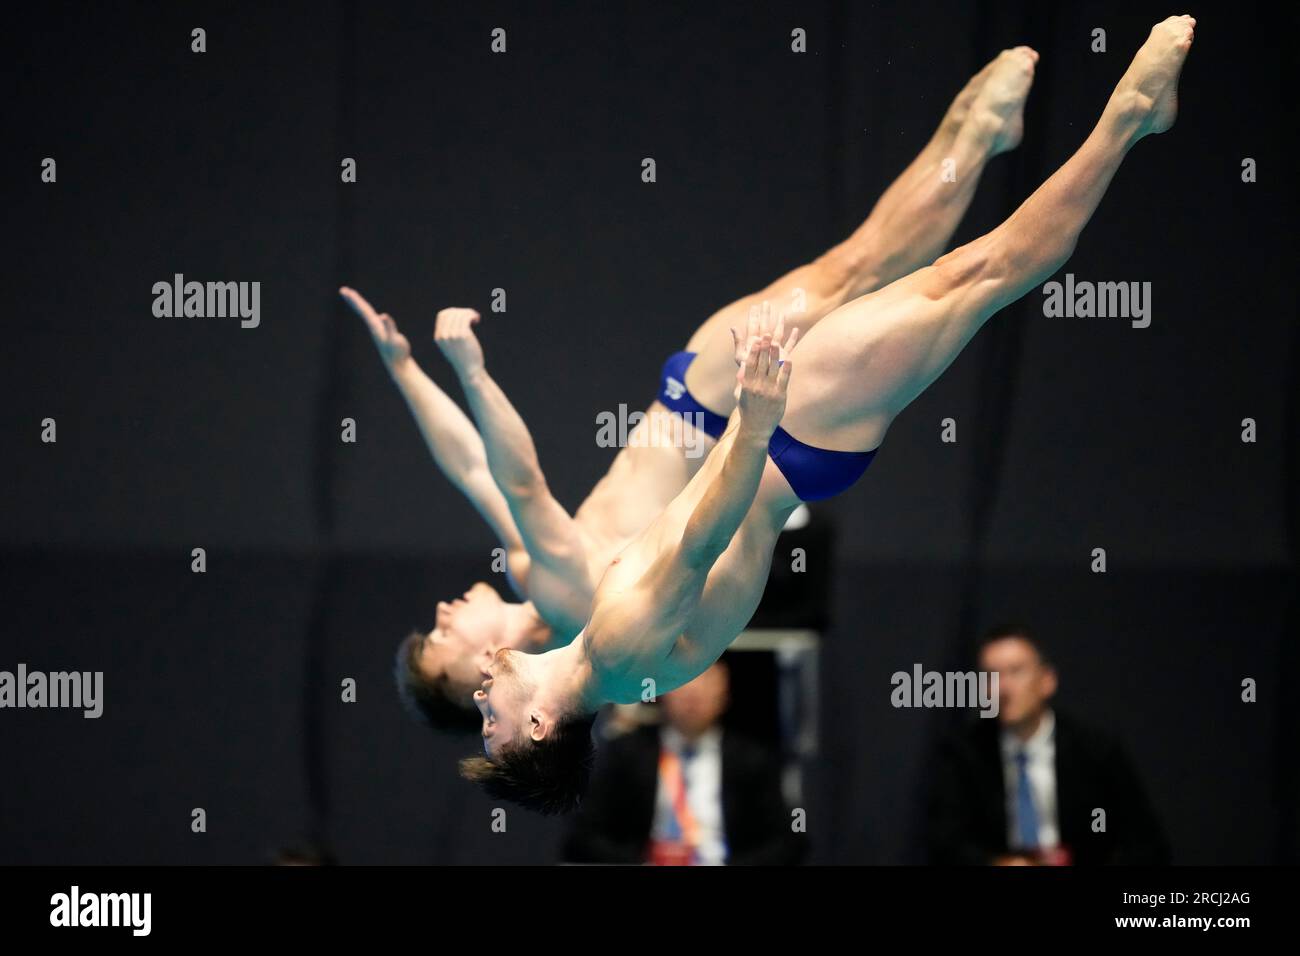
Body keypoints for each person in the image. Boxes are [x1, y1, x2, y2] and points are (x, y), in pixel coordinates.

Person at [460, 17, 1198, 814]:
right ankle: (1129, 117)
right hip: (787, 437)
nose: (481, 708)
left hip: (777, 441)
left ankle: (994, 130)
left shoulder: (614, 657)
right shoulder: (614, 648)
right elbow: (700, 537)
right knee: (979, 277)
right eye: (491, 729)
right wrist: (754, 415)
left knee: (931, 273)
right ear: (539, 726)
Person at [343, 49, 1039, 726]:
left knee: (852, 268)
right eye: (440, 641)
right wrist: (468, 369)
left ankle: (975, 134)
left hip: (694, 409)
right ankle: (979, 137)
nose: (440, 615)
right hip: (731, 422)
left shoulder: (535, 577)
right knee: (864, 275)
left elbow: (470, 466)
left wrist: (404, 369)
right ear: (482, 675)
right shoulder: (569, 603)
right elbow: (518, 481)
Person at [926, 626, 1170, 865]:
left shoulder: (1096, 753)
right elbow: (946, 845)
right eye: (991, 676)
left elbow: (1145, 844)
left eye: (1016, 671)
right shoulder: (963, 755)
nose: (1003, 687)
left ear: (1047, 680)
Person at [563, 660, 805, 865]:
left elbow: (789, 842)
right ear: (663, 692)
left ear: (725, 694)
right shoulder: (626, 753)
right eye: (684, 684)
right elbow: (582, 837)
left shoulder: (753, 759)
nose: (693, 697)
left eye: (705, 684)